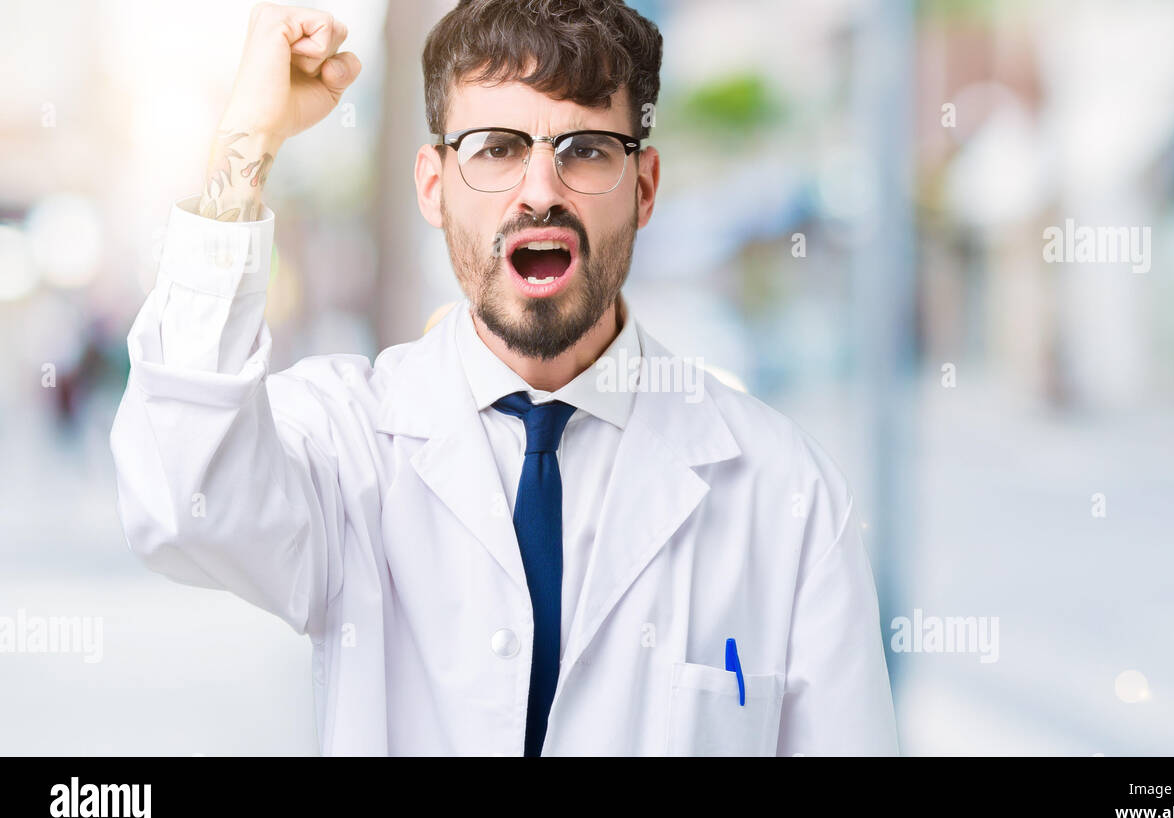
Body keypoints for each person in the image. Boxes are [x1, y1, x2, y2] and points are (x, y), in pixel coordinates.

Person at [109, 0, 898, 756]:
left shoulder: (785, 494)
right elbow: (181, 496)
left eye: (586, 149)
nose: (540, 190)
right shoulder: (350, 445)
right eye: (496, 147)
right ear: (432, 186)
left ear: (645, 187)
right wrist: (246, 144)